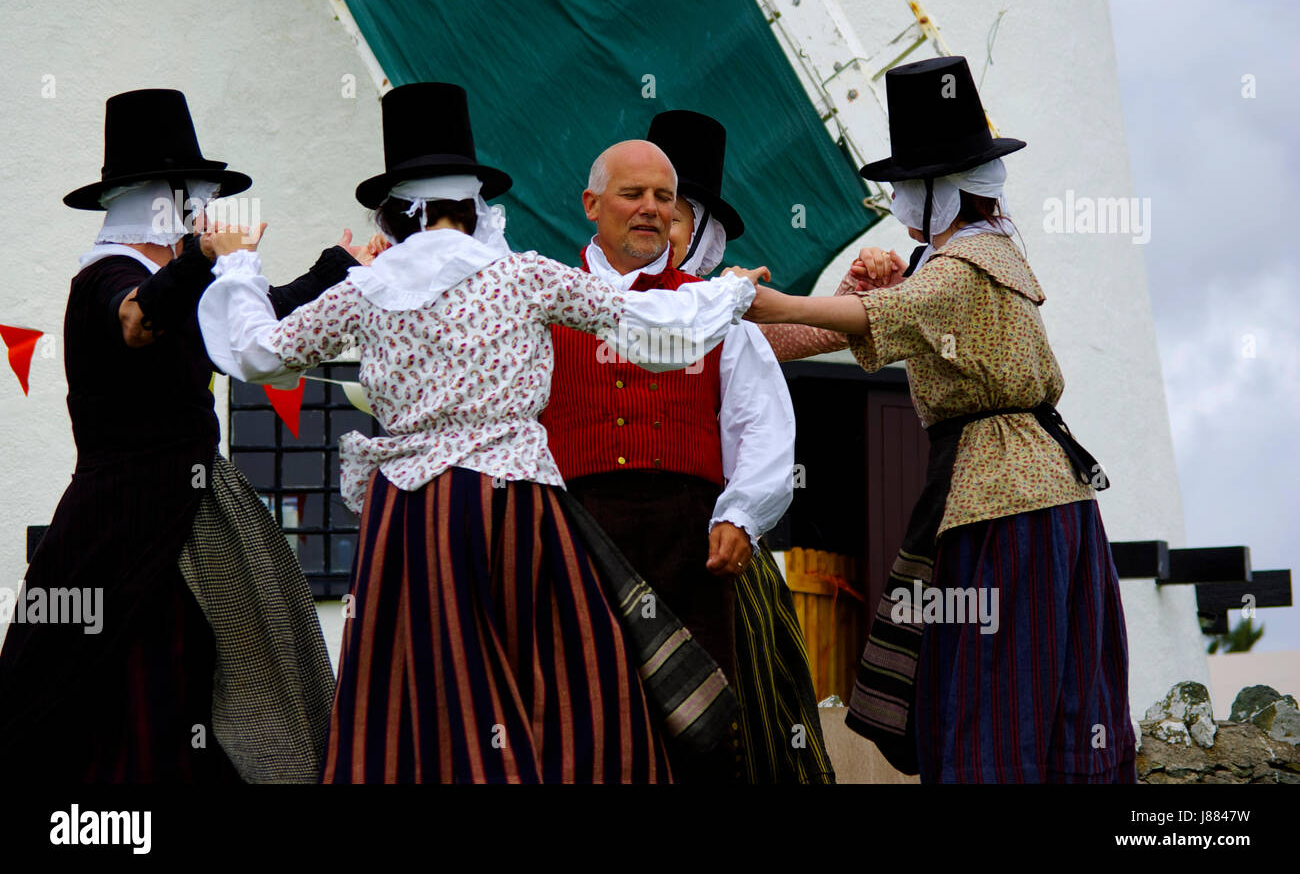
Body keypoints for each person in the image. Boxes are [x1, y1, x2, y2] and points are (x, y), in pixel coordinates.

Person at [198, 82, 766, 783]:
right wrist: (730, 290)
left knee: (422, 692)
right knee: (559, 687)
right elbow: (652, 326)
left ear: (397, 209)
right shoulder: (522, 277)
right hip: (516, 507)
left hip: (414, 515)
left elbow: (255, 352)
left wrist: (237, 264)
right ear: (472, 205)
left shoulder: (365, 289)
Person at [740, 56, 1136, 783]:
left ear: (935, 190)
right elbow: (829, 334)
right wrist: (738, 332)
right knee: (1066, 705)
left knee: (995, 697)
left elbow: (853, 317)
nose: (895, 201)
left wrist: (760, 302)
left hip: (1004, 503)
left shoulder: (965, 265)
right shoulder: (968, 259)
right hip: (1046, 500)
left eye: (901, 188)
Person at [0, 89, 361, 782]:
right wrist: (201, 256)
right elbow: (138, 322)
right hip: (122, 525)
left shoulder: (175, 282)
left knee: (223, 680)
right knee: (125, 690)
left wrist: (335, 270)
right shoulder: (106, 279)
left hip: (197, 512)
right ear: (156, 200)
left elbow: (261, 321)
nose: (203, 212)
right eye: (191, 199)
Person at [631, 109, 834, 784]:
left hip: (713, 549)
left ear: (703, 235)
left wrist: (739, 514)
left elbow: (762, 430)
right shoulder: (590, 306)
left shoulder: (726, 323)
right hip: (615, 553)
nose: (655, 220)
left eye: (673, 209)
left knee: (741, 730)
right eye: (643, 201)